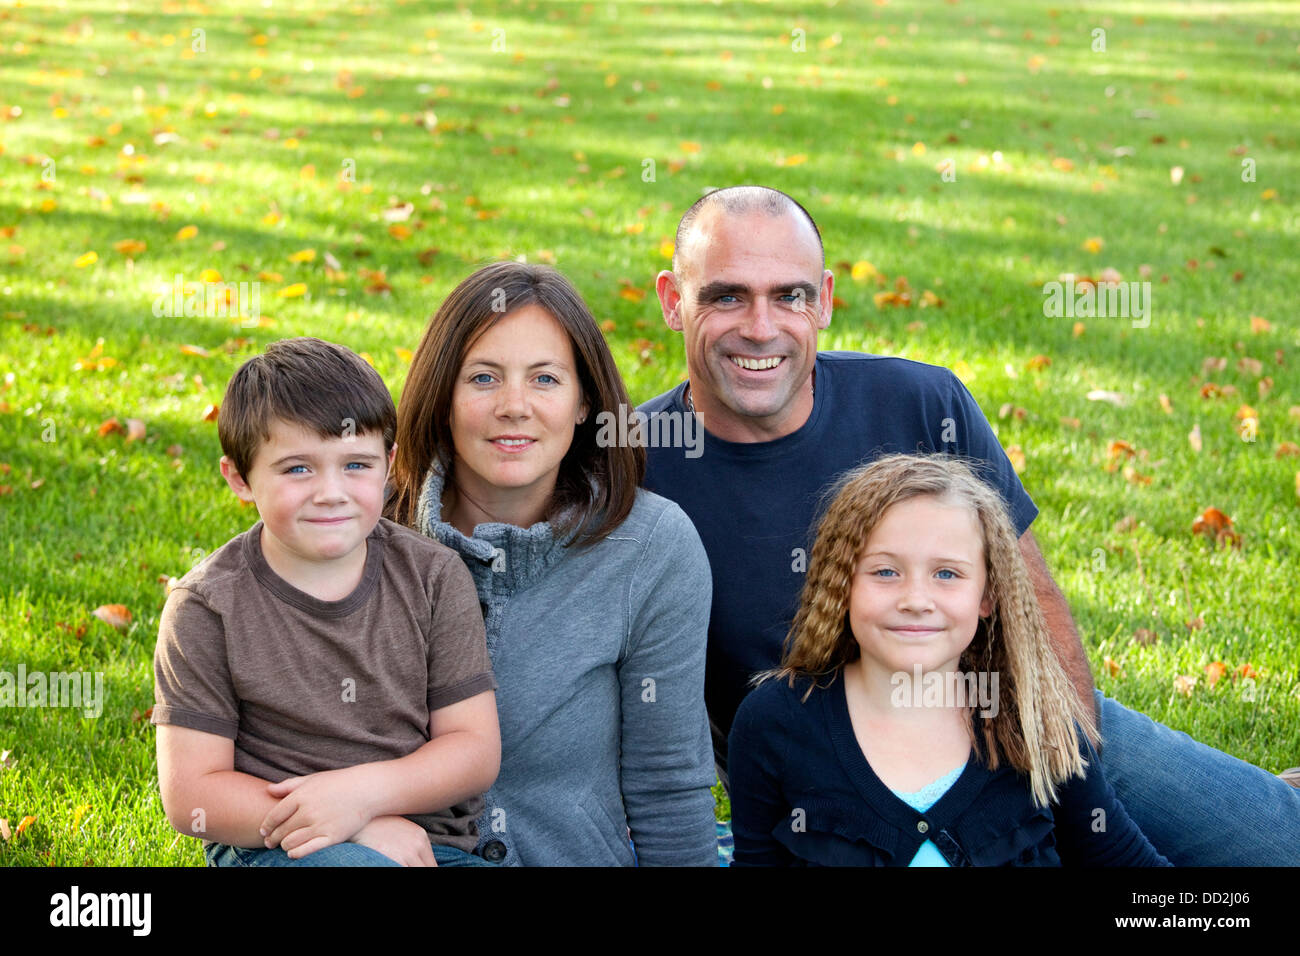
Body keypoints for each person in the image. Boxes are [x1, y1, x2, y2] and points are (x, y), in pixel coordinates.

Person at [639, 184, 1300, 865]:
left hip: (1014, 725)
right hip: (829, 786)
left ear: (827, 299)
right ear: (671, 300)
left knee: (1275, 846)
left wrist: (1074, 787)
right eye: (725, 296)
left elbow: (1029, 605)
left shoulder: (920, 403)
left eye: (790, 295)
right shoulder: (629, 466)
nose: (760, 326)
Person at [383, 261, 717, 866]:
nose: (515, 406)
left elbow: (667, 782)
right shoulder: (365, 531)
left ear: (585, 401)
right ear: (443, 395)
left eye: (545, 379)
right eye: (483, 378)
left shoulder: (651, 546)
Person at [153, 337, 500, 867]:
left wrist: (360, 801)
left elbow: (472, 751)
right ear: (240, 478)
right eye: (297, 469)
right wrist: (348, 826)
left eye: (355, 465)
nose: (330, 492)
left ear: (390, 466)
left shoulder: (434, 576)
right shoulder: (206, 607)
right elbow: (192, 795)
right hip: (281, 844)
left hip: (425, 845)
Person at [728, 453, 1170, 866]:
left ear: (987, 595)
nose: (916, 600)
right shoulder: (776, 724)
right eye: (885, 571)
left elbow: (1121, 859)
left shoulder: (1033, 720)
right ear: (841, 585)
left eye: (947, 574)